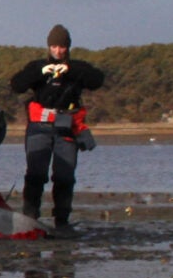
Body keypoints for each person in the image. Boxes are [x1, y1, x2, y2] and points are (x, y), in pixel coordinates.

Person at [7, 26, 105, 235]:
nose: (58, 51)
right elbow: (16, 85)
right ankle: (30, 218)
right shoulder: (38, 66)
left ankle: (62, 220)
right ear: (48, 46)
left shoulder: (77, 68)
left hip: (66, 128)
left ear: (68, 47)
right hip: (39, 127)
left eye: (62, 47)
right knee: (35, 174)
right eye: (54, 46)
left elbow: (97, 80)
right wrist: (41, 72)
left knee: (64, 176)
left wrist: (69, 70)